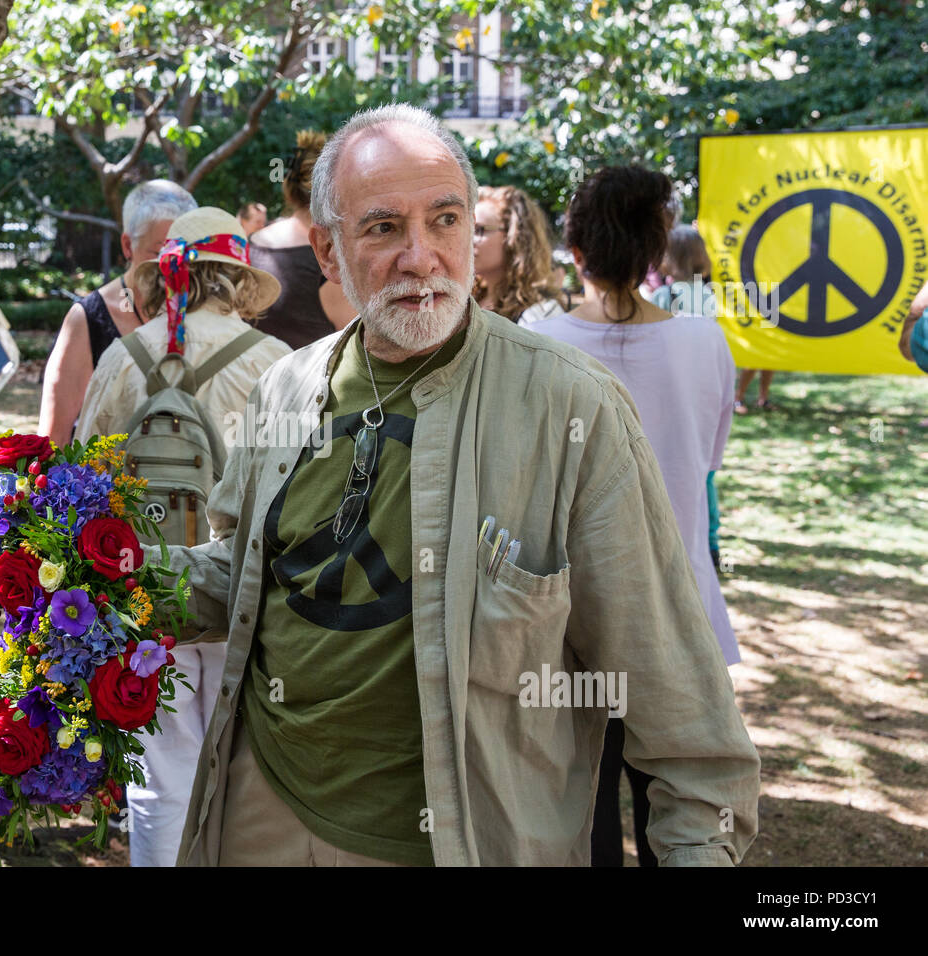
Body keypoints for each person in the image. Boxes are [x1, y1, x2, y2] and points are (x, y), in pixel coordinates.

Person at [157, 104, 759, 867]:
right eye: (382, 229)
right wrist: (82, 577)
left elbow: (674, 693)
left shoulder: (569, 404)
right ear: (329, 250)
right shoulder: (284, 389)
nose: (422, 257)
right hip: (260, 814)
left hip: (464, 843)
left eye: (445, 220)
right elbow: (236, 575)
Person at [532, 165, 741, 867]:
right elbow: (705, 466)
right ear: (657, 251)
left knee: (578, 813)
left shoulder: (535, 343)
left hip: (568, 626)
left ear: (577, 249)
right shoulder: (706, 343)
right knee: (679, 816)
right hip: (680, 615)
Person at [73, 207, 291, 867]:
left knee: (161, 781)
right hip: (245, 595)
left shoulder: (123, 358)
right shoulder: (279, 363)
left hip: (145, 593)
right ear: (235, 277)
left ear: (167, 277)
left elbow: (82, 479)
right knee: (252, 777)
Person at [38, 180, 197, 446]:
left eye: (186, 254)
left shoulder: (204, 311)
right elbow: (53, 437)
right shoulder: (87, 320)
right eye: (160, 252)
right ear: (127, 246)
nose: (173, 265)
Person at [647, 224, 724, 569]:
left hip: (672, 391)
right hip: (703, 389)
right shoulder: (708, 296)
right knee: (705, 470)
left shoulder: (665, 297)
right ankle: (711, 540)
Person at [248, 130, 356, 349]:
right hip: (309, 382)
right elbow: (354, 346)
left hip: (247, 378)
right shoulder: (333, 260)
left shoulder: (250, 244)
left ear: (289, 189)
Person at [470, 184, 566, 325]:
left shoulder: (540, 315)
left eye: (479, 230)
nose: (468, 239)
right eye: (467, 229)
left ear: (514, 238)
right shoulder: (470, 299)